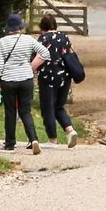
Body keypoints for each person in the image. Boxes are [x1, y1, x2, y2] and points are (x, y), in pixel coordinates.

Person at [0, 13, 47, 153]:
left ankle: (10, 144)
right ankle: (33, 139)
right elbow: (45, 53)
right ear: (20, 27)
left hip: (9, 80)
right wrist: (31, 66)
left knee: (10, 112)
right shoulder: (28, 39)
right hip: (26, 79)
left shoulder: (3, 41)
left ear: (9, 28)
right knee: (25, 111)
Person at [36, 14, 82, 146]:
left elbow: (39, 57)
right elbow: (69, 53)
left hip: (48, 77)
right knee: (58, 106)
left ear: (42, 27)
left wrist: (31, 68)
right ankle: (70, 130)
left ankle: (52, 140)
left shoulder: (43, 39)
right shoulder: (64, 37)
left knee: (47, 108)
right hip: (64, 76)